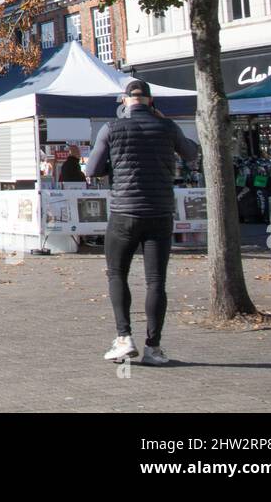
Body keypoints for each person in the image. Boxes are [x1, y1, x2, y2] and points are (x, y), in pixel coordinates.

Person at [86, 79, 198, 367]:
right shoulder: (168, 127)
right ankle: (154, 347)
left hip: (124, 212)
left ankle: (124, 338)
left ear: (125, 102)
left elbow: (93, 169)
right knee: (156, 281)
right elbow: (191, 154)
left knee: (117, 274)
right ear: (151, 101)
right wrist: (165, 123)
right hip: (160, 212)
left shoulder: (111, 129)